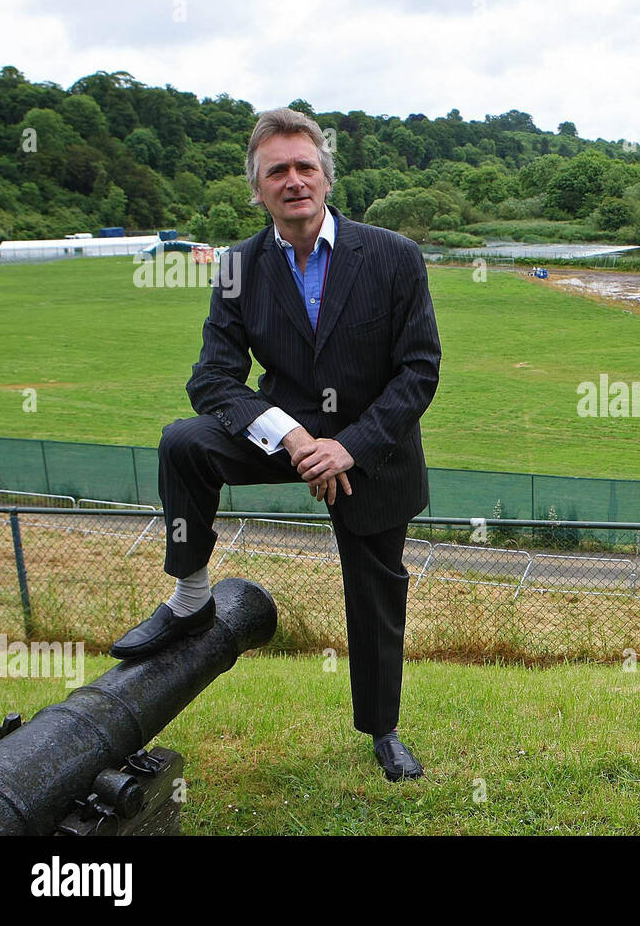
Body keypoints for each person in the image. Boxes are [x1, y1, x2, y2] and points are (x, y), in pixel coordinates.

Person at [109, 108, 441, 782]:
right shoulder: (237, 267)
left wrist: (347, 446)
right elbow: (212, 378)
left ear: (325, 175)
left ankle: (384, 732)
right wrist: (289, 435)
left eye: (305, 166)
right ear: (258, 189)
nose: (294, 180)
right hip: (283, 432)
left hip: (371, 448)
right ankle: (190, 600)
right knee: (184, 442)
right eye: (277, 171)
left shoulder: (393, 256)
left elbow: (418, 371)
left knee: (377, 598)